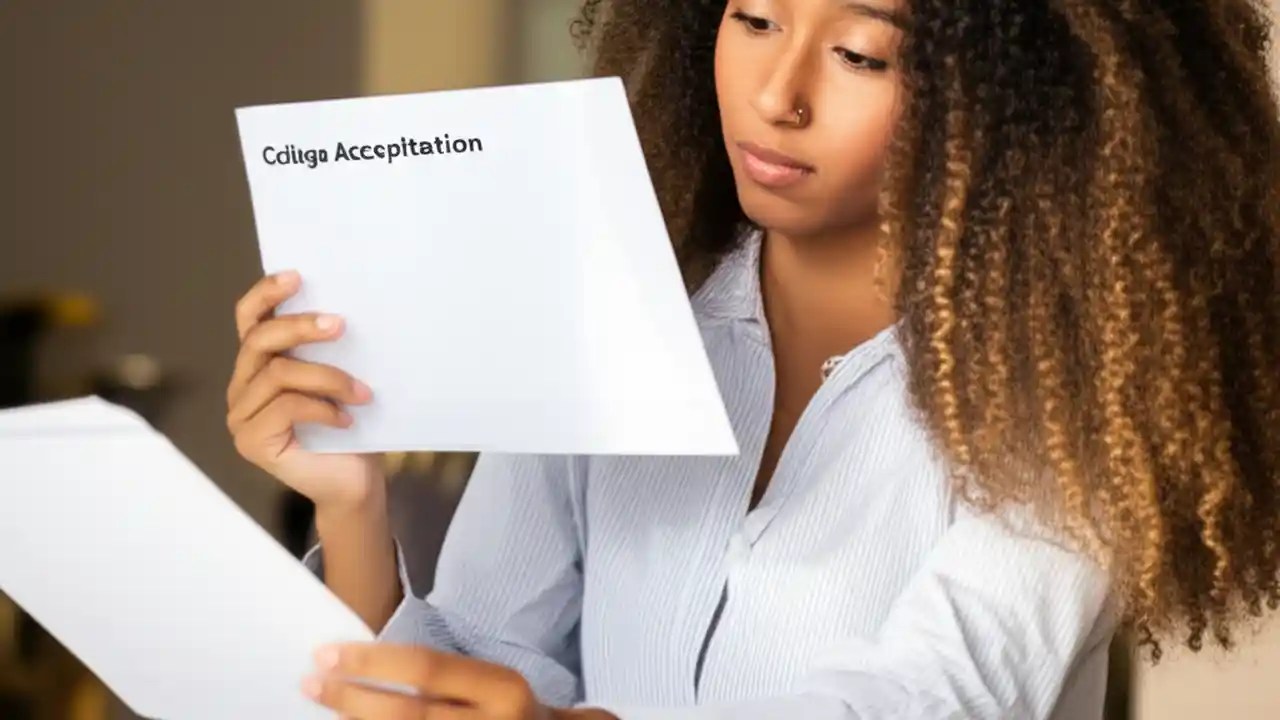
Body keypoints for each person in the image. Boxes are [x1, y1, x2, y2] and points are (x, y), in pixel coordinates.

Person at [224, 0, 1280, 717]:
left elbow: (923, 699)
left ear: (1010, 104)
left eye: (862, 53)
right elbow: (471, 657)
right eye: (753, 17)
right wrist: (349, 505)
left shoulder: (1066, 404)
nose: (777, 93)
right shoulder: (615, 326)